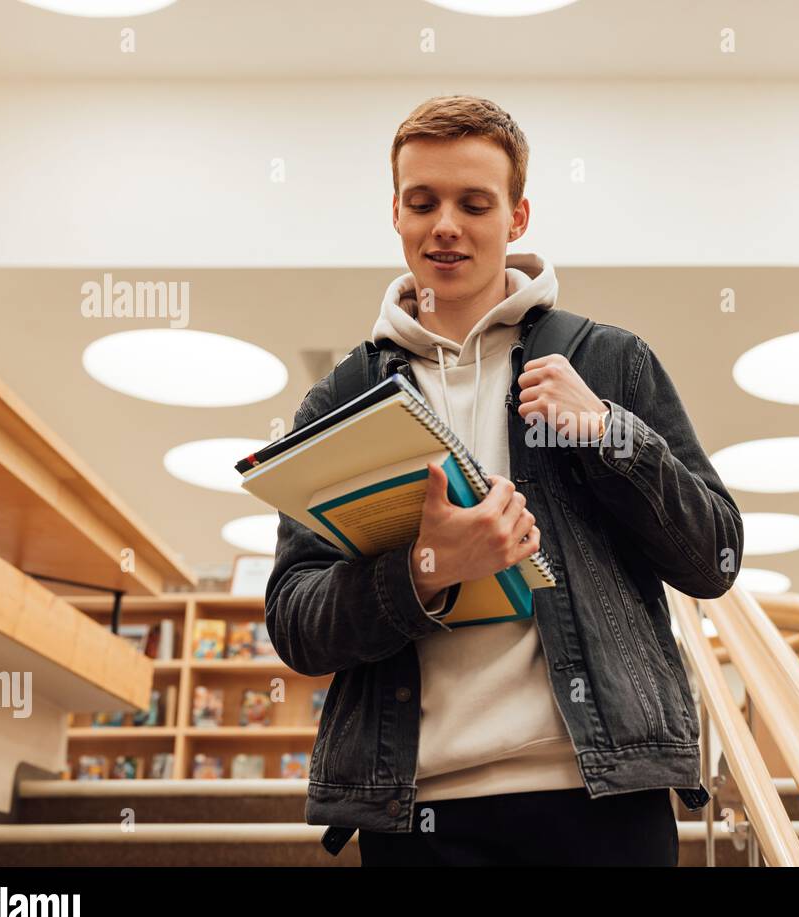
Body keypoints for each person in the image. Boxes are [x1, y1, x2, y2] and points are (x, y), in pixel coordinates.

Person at [264, 94, 743, 866]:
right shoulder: (339, 398)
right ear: (396, 213)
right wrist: (427, 571)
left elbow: (715, 557)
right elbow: (295, 621)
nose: (445, 224)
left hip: (601, 800)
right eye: (423, 201)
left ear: (518, 216)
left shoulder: (607, 360)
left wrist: (611, 433)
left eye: (474, 202)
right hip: (417, 809)